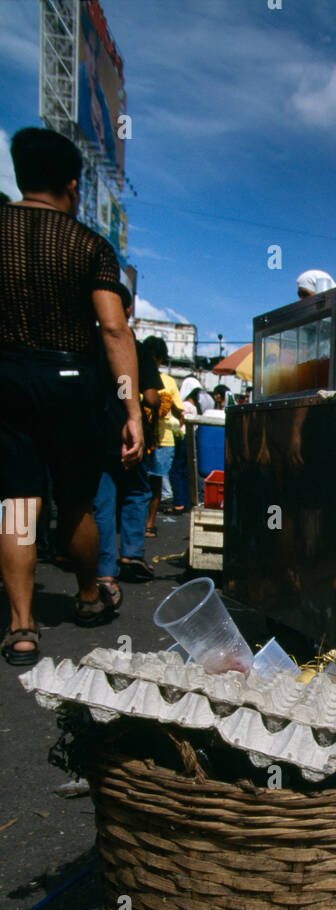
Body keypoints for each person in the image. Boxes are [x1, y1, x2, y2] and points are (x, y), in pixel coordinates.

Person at [0, 128, 142, 665]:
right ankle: (87, 596)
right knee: (78, 498)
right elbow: (112, 330)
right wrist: (130, 407)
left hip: (8, 376)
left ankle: (21, 625)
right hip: (72, 383)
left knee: (16, 503)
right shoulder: (89, 245)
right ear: (74, 185)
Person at [92, 285, 161, 604]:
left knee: (102, 500)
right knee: (135, 491)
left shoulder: (87, 344)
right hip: (129, 428)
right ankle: (131, 555)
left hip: (96, 429)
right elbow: (150, 396)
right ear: (129, 310)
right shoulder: (136, 348)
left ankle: (103, 570)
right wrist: (136, 414)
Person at [143, 337, 183, 537]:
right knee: (136, 483)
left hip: (163, 439)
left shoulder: (169, 382)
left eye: (157, 358)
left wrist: (171, 406)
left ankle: (149, 523)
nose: (154, 361)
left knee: (156, 482)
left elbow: (180, 414)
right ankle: (134, 522)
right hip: (141, 438)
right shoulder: (133, 377)